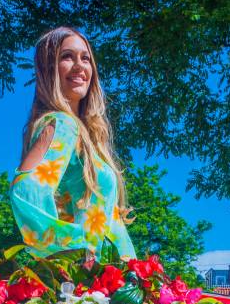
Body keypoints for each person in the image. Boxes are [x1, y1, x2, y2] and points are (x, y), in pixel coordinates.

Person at [8, 26, 137, 260]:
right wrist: (75, 255)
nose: (80, 66)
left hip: (116, 281)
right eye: (67, 56)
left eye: (85, 58)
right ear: (48, 68)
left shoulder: (86, 135)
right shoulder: (63, 124)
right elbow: (26, 193)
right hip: (95, 284)